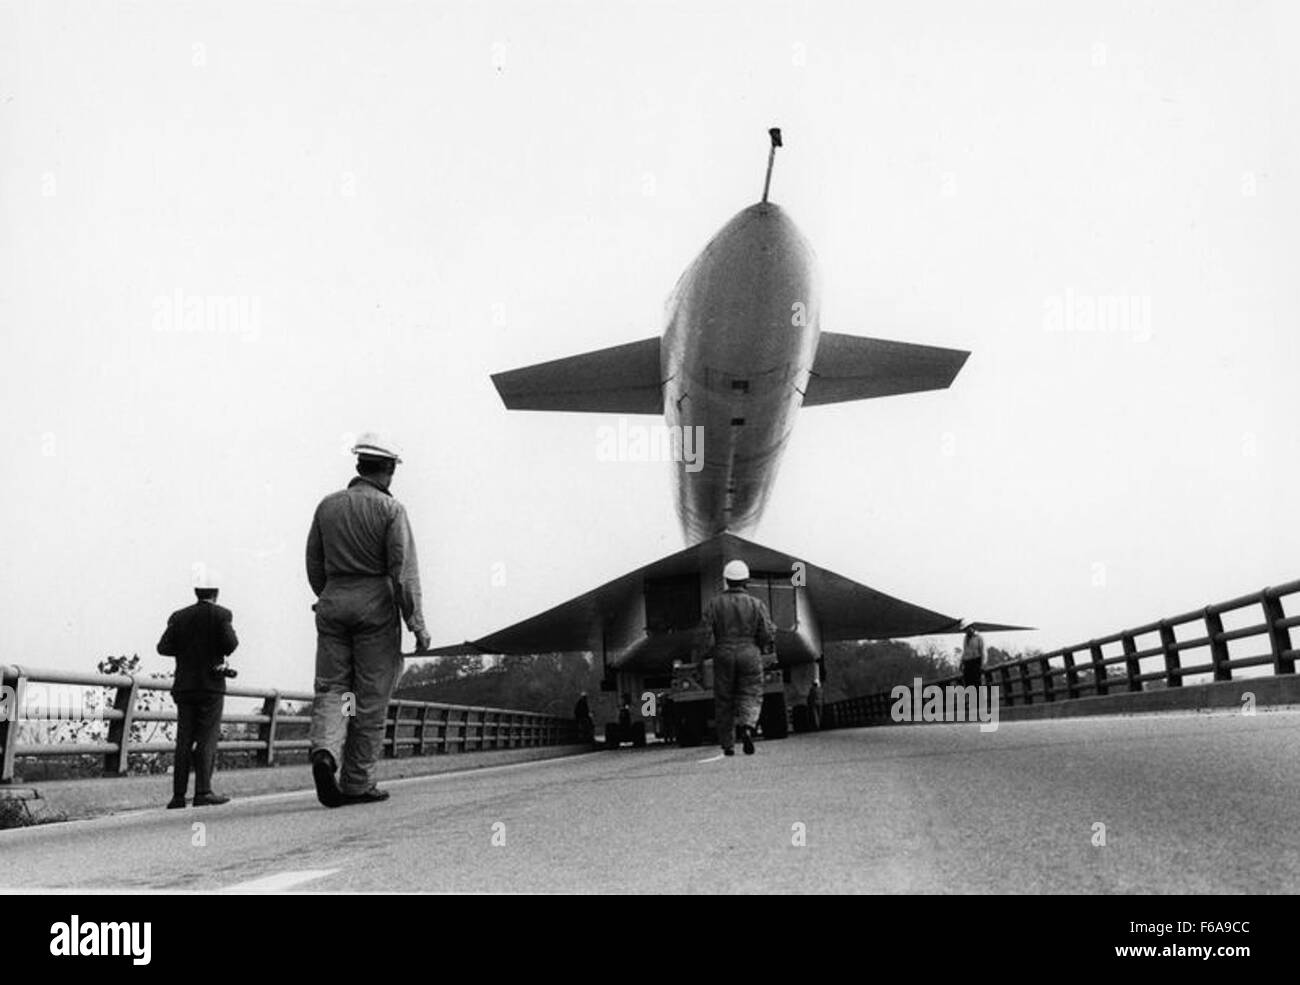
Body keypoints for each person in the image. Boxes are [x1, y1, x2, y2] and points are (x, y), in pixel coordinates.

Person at [306, 432, 430, 807]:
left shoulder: (327, 506)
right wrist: (416, 623)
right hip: (374, 610)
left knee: (335, 689)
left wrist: (330, 595)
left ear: (359, 466)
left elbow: (314, 563)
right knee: (370, 697)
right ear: (389, 470)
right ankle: (357, 782)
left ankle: (326, 751)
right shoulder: (392, 511)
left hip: (333, 604)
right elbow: (402, 573)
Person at [157, 577, 238, 808]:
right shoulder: (222, 615)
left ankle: (178, 796)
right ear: (216, 593)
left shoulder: (179, 616)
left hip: (184, 686)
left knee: (183, 740)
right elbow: (231, 644)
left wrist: (187, 650)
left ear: (196, 592)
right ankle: (203, 791)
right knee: (206, 739)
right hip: (210, 685)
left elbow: (163, 647)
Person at [699, 559, 774, 756]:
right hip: (749, 651)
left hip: (723, 652)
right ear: (746, 580)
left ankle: (728, 744)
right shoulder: (756, 604)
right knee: (751, 693)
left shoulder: (714, 604)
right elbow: (766, 633)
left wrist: (708, 652)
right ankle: (748, 727)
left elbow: (705, 635)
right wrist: (761, 645)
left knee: (724, 698)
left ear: (726, 580)